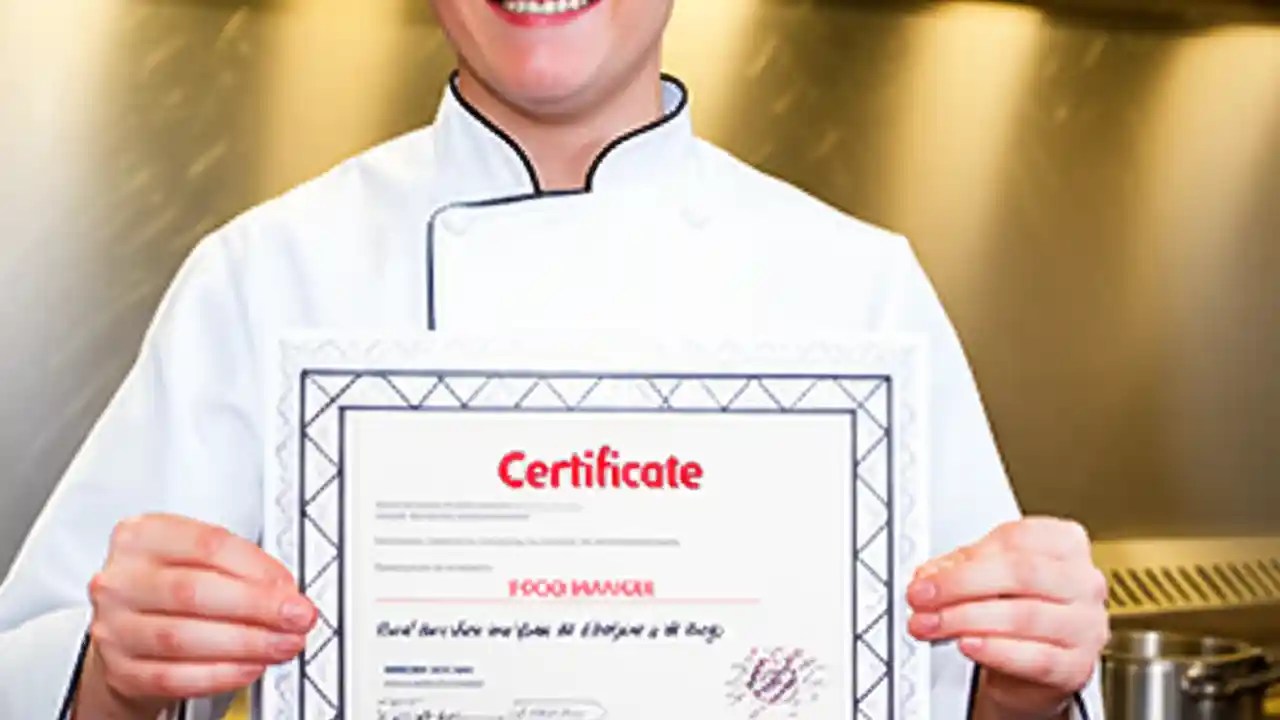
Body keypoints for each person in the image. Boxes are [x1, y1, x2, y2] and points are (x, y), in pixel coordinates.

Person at [0, 0, 1110, 718]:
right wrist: (112, 669)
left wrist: (1023, 679)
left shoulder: (857, 287)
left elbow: (964, 697)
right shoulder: (263, 276)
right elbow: (42, 674)